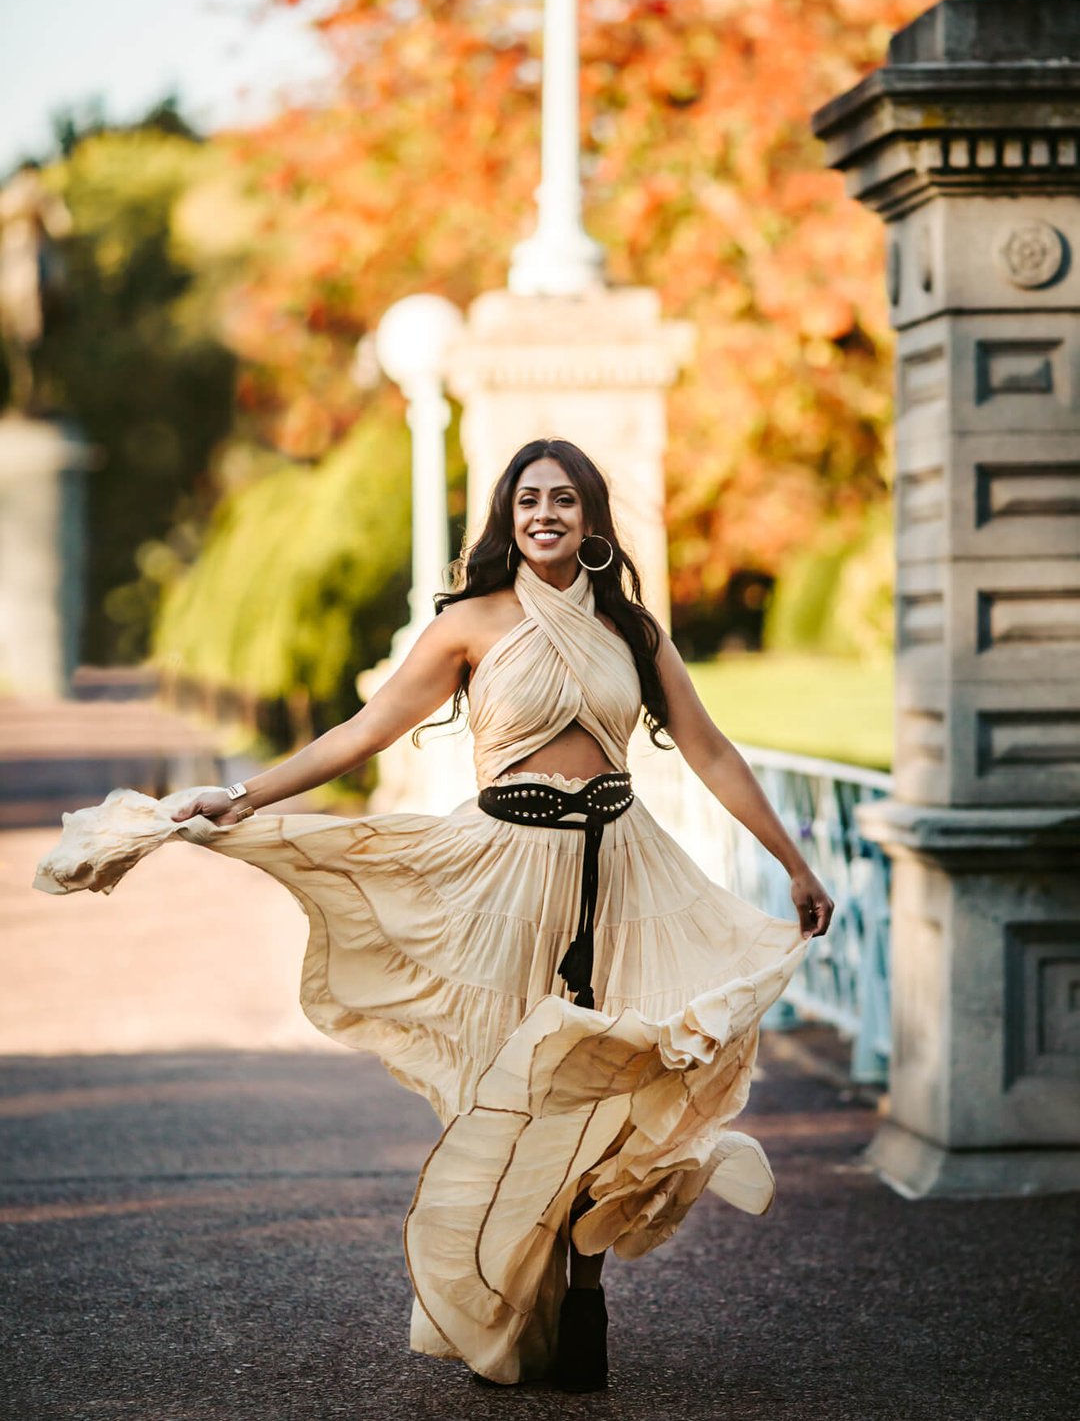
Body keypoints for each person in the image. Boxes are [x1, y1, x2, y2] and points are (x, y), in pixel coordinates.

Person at [35, 437, 833, 1393]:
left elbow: (709, 750)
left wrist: (793, 862)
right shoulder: (472, 624)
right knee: (509, 1082)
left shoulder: (634, 632)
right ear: (507, 516)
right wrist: (244, 796)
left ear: (591, 520)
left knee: (610, 1074)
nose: (547, 513)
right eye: (530, 498)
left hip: (625, 871)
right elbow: (367, 731)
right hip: (505, 874)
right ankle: (511, 1292)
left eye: (566, 500)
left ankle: (584, 1287)